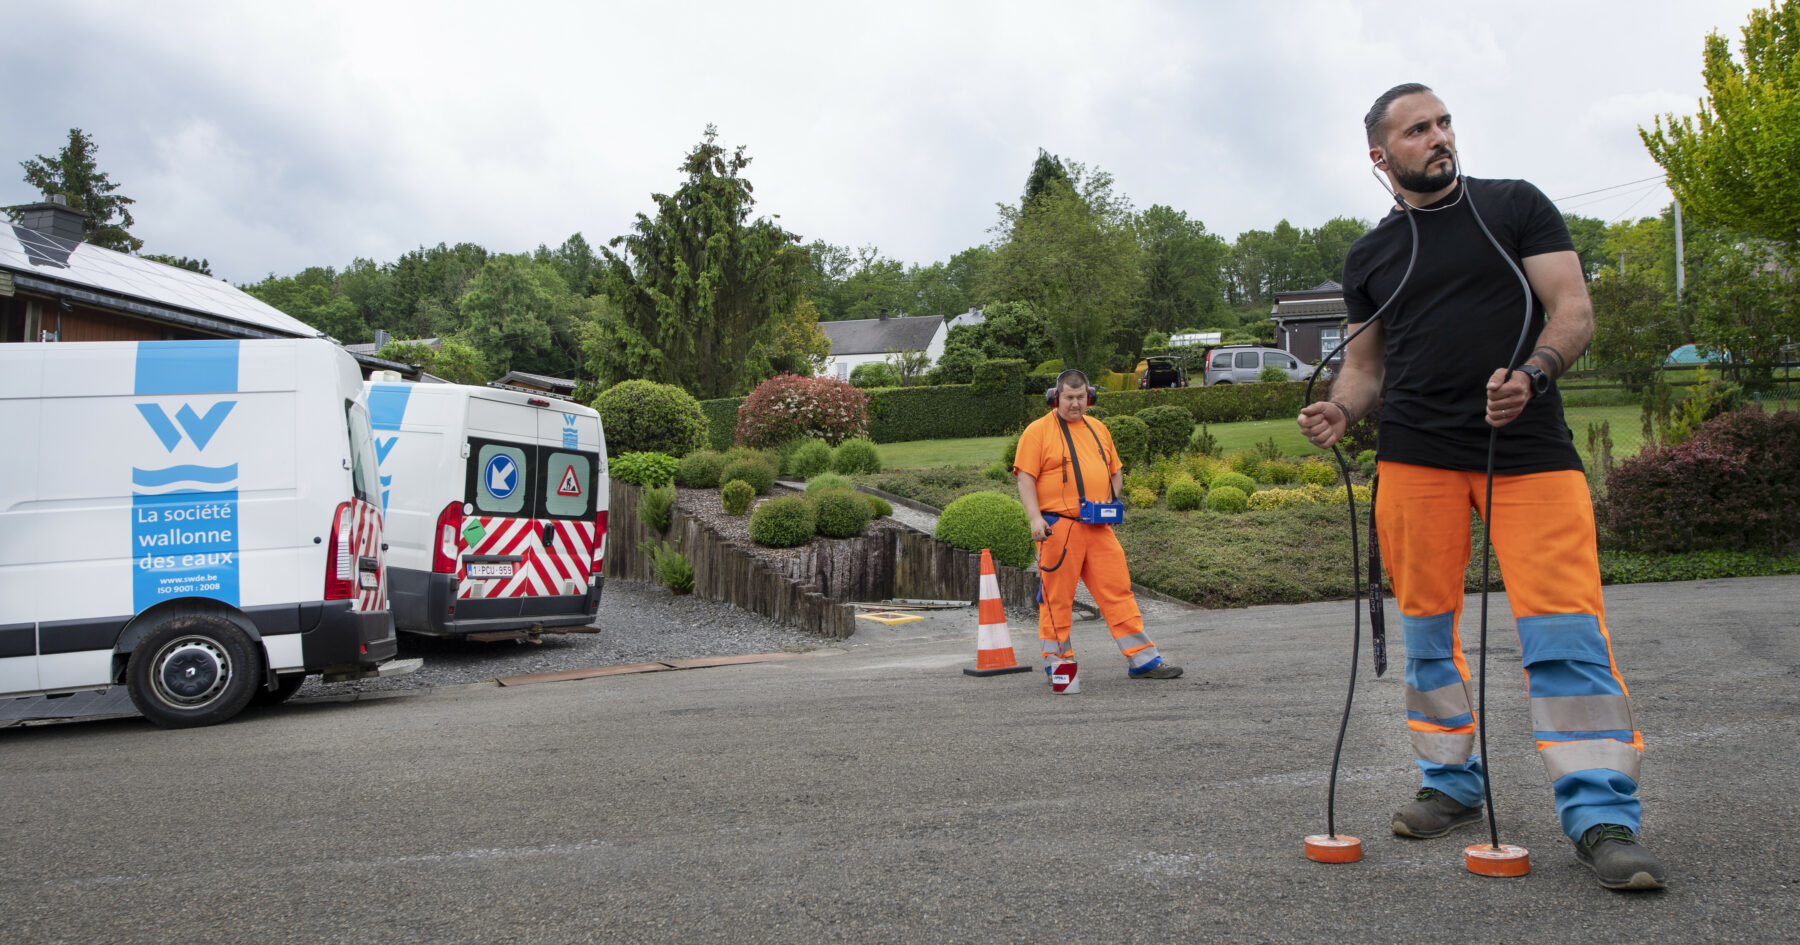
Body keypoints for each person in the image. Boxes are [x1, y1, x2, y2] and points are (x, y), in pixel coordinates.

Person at [1296, 83, 1666, 890]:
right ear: (1380, 156)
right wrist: (1338, 409)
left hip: (1528, 451)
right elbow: (1366, 369)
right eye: (1417, 129)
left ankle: (1601, 815)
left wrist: (1533, 372)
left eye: (1443, 122)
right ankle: (1452, 784)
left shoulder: (1514, 209)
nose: (1438, 137)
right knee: (1427, 634)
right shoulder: (1371, 257)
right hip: (1415, 458)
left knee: (1566, 636)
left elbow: (1572, 308)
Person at [1013, 369, 1182, 682]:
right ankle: (1059, 666)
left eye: (1081, 398)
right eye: (1069, 398)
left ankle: (1143, 660)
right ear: (1055, 397)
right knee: (1056, 599)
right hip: (1058, 528)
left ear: (1088, 397)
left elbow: (1115, 473)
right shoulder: (1037, 432)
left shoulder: (1099, 429)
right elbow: (1026, 477)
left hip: (1098, 528)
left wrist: (1108, 502)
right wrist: (1036, 519)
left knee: (1118, 591)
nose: (1075, 404)